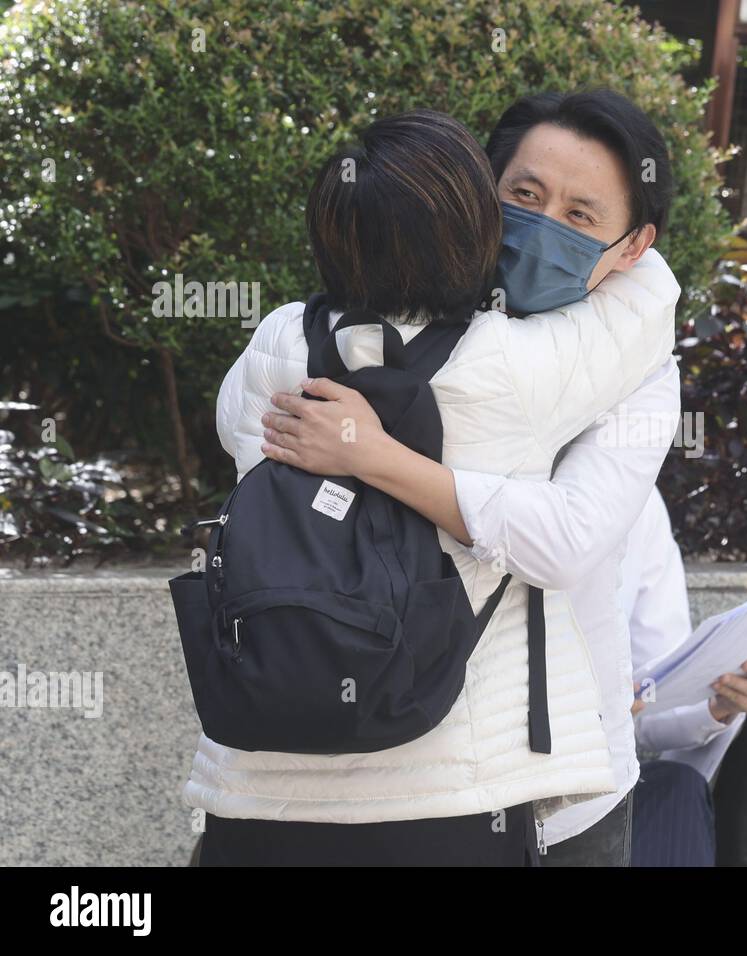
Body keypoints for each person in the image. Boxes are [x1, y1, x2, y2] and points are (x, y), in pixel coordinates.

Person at [184, 108, 680, 865]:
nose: (543, 227)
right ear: (481, 197)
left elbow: (569, 540)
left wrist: (370, 453)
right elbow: (641, 316)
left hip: (265, 758)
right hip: (464, 783)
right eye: (523, 195)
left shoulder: (285, 337)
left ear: (633, 242)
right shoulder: (529, 365)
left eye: (580, 216)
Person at [623, 488, 747, 866]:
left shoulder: (637, 497)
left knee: (676, 789)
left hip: (596, 787)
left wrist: (721, 703)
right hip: (491, 786)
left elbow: (653, 698)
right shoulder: (470, 485)